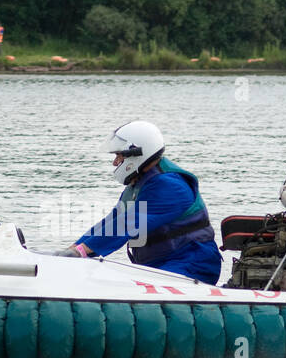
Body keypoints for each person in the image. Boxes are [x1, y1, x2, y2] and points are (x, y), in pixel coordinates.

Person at [58, 121, 222, 284]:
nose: (115, 162)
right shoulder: (139, 183)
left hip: (191, 264)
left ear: (136, 154)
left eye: (119, 156)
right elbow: (111, 222)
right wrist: (73, 249)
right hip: (159, 264)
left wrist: (81, 252)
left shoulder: (169, 186)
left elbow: (127, 224)